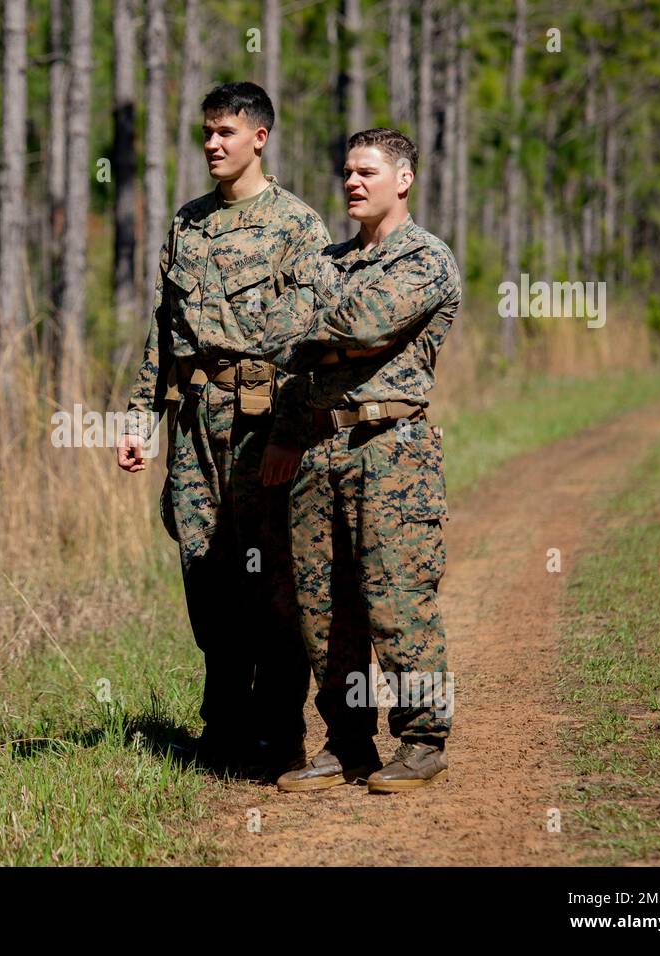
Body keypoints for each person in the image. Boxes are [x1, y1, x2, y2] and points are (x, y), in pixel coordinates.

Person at [116, 82, 329, 777]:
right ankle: (225, 726)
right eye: (207, 132)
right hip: (195, 423)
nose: (212, 143)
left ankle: (279, 730)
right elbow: (163, 328)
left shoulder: (298, 226)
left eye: (226, 132)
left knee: (270, 578)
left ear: (259, 138)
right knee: (203, 573)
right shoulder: (189, 223)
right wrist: (141, 417)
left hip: (261, 423)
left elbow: (311, 343)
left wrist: (293, 433)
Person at [262, 128, 461, 794]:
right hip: (319, 448)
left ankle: (423, 738)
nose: (352, 182)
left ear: (402, 179)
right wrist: (288, 432)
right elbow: (289, 337)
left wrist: (315, 333)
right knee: (322, 609)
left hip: (391, 448)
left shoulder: (425, 259)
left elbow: (363, 325)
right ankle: (347, 743)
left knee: (397, 599)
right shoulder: (330, 258)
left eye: (367, 171)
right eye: (346, 170)